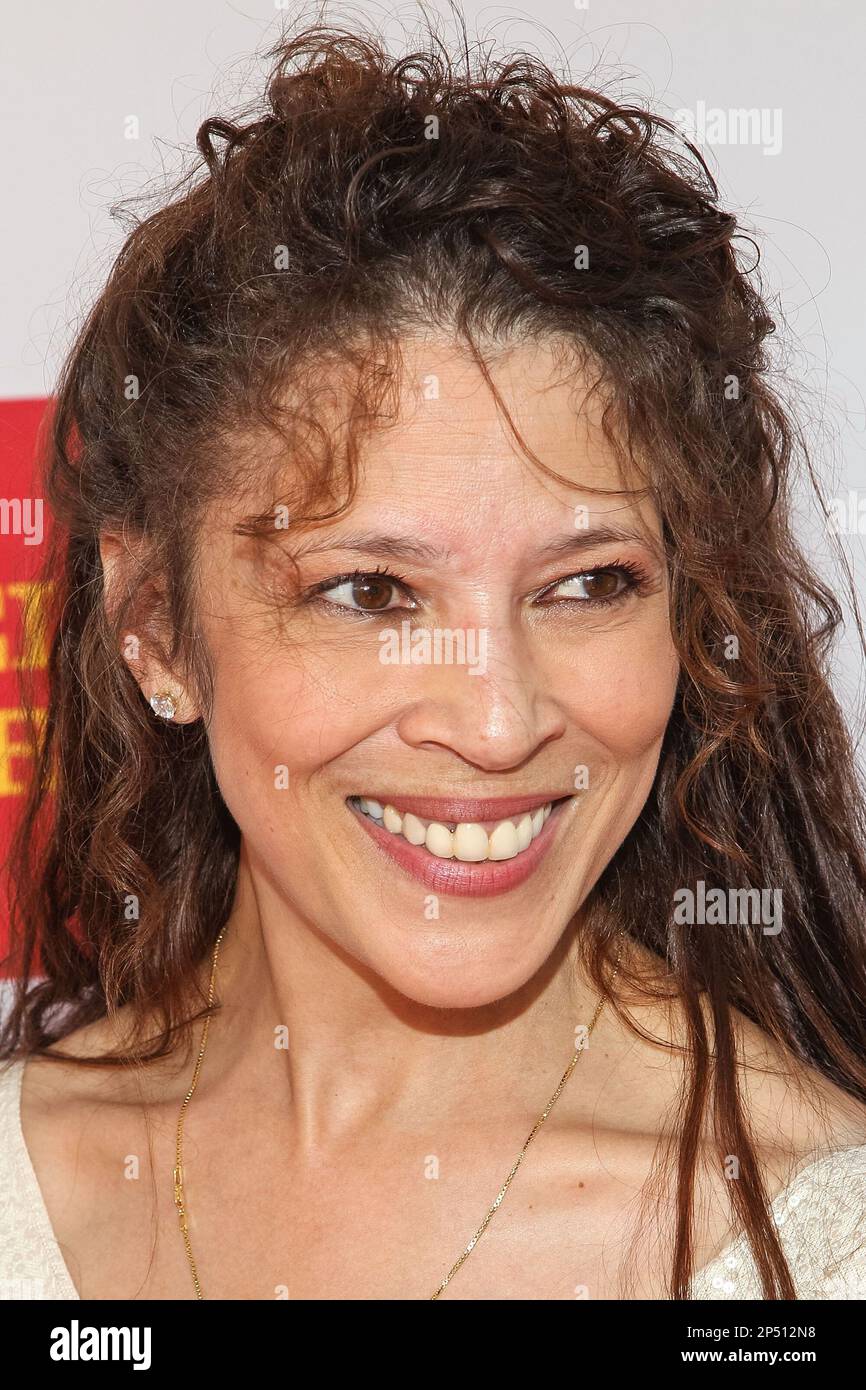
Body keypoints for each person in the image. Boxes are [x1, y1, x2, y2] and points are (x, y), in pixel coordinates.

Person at [1, 20, 865, 1302]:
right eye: (369, 590)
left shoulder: (818, 1240)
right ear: (155, 633)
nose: (500, 716)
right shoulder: (25, 1171)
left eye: (588, 584)